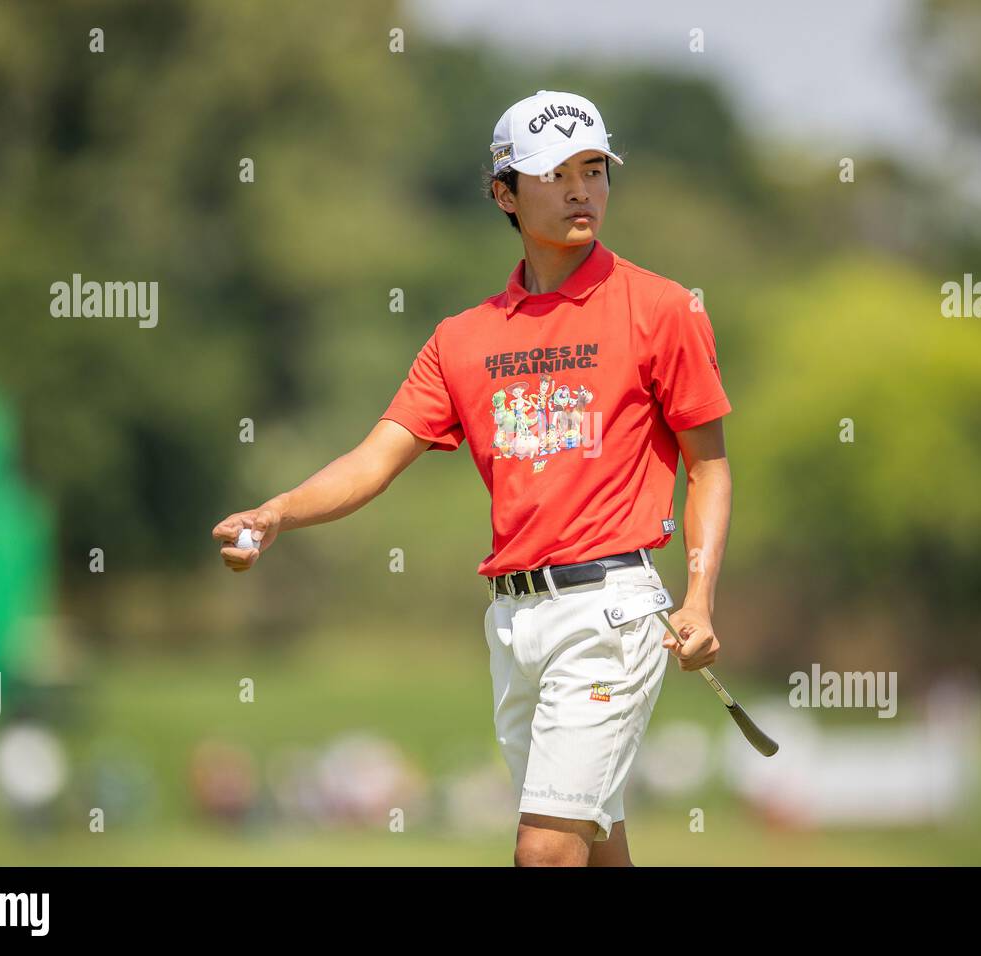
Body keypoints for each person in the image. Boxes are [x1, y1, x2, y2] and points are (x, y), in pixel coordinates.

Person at [212, 90, 733, 866]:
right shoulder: (463, 337)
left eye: (594, 169)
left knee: (544, 853)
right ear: (504, 194)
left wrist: (698, 597)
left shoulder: (662, 309)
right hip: (514, 626)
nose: (581, 189)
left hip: (611, 616)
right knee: (594, 849)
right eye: (554, 174)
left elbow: (710, 469)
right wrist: (278, 511)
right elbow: (373, 459)